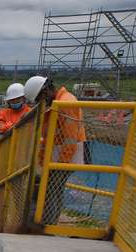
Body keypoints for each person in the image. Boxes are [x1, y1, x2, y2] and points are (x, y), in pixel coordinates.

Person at [24, 75, 86, 225]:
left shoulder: (66, 103)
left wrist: (61, 163)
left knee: (51, 189)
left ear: (45, 92)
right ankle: (49, 223)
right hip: (60, 155)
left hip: (66, 156)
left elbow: (70, 137)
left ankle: (48, 224)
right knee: (54, 189)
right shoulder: (59, 102)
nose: (41, 103)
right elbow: (53, 135)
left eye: (39, 99)